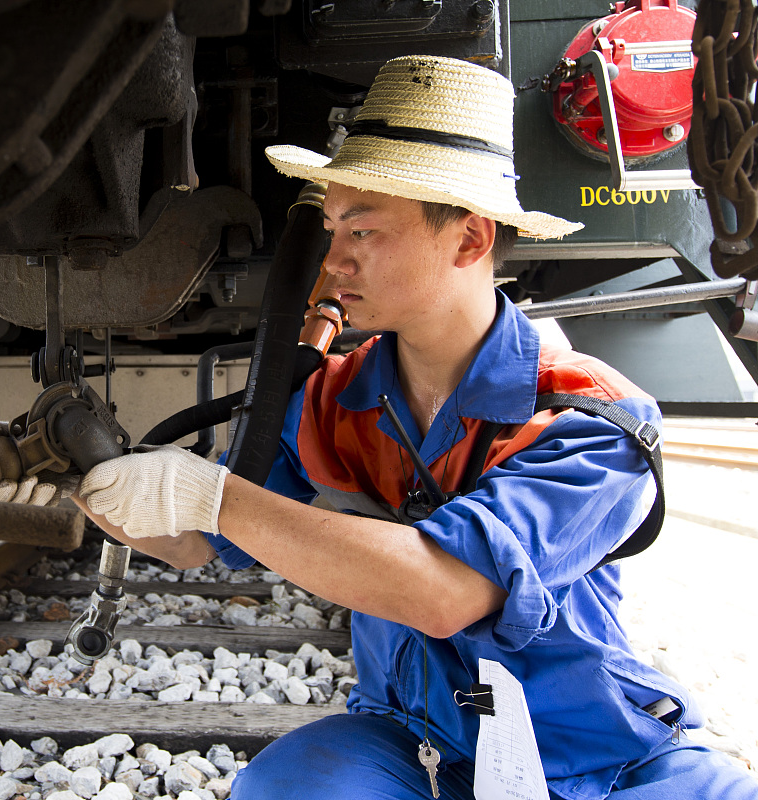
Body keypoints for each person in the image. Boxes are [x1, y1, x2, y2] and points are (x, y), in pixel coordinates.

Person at [66, 56, 758, 799]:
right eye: (331, 228)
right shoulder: (327, 402)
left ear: (467, 241)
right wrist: (83, 481)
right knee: (287, 789)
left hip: (596, 757)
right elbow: (201, 539)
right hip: (417, 742)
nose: (331, 262)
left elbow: (444, 591)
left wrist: (209, 495)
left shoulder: (591, 420)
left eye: (362, 230)